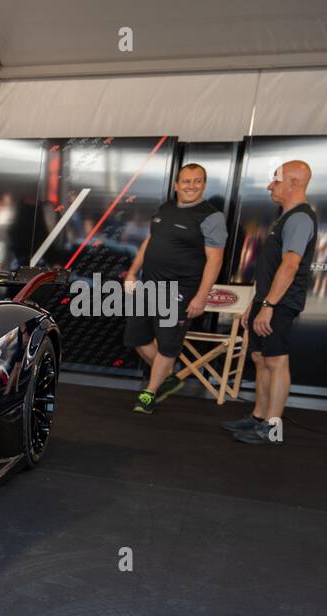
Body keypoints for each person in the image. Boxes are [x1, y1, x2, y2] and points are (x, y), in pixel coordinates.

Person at [123, 163, 228, 414]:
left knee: (168, 344)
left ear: (204, 184)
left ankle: (150, 392)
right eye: (186, 181)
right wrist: (132, 272)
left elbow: (215, 260)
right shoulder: (166, 209)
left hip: (181, 290)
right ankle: (168, 376)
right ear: (176, 184)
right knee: (137, 338)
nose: (191, 186)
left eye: (198, 181)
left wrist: (201, 296)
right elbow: (150, 242)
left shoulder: (211, 216)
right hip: (150, 286)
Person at [225, 160, 318, 444]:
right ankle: (258, 417)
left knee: (276, 362)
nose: (269, 185)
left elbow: (290, 266)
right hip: (265, 302)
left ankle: (272, 429)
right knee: (259, 359)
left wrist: (268, 306)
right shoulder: (284, 218)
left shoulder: (300, 218)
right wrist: (252, 305)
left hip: (279, 304)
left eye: (275, 180)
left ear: (294, 182)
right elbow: (268, 267)